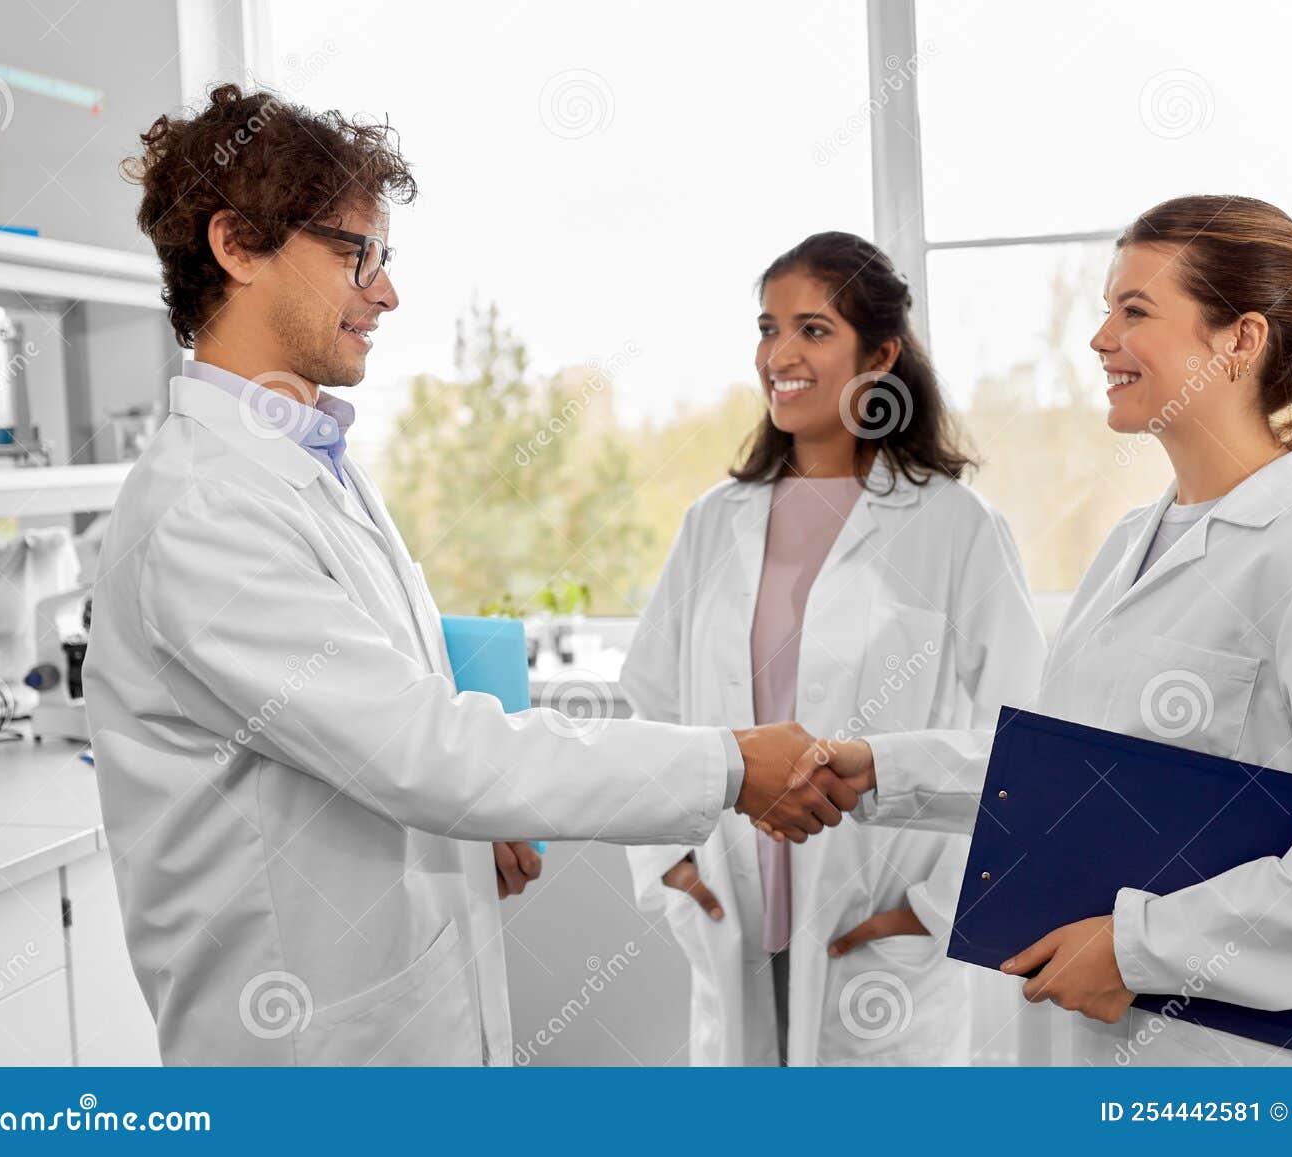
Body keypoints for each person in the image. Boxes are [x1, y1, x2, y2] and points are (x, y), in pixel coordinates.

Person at [84, 85, 847, 1067]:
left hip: (403, 1020)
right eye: (357, 253)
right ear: (236, 245)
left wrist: (464, 831)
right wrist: (730, 765)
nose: (386, 293)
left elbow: (373, 719)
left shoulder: (305, 457)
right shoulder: (203, 509)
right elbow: (424, 747)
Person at [797, 195, 1292, 1066]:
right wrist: (886, 768)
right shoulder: (1129, 545)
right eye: (1107, 309)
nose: (1100, 337)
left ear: (1240, 341)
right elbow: (1071, 775)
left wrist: (1138, 948)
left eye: (1135, 311)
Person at [623, 233, 1047, 1065]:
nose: (779, 355)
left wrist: (936, 906)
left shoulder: (955, 526)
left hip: (878, 934)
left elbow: (1028, 740)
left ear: (880, 355)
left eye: (812, 330)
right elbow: (650, 701)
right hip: (732, 918)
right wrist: (669, 863)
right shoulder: (715, 521)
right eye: (768, 327)